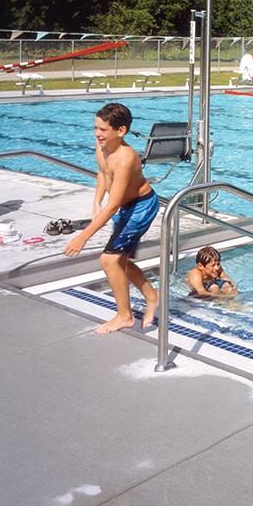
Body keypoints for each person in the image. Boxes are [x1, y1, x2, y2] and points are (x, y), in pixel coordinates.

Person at [64, 103, 162, 334]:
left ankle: (125, 316)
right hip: (126, 207)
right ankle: (152, 297)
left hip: (141, 207)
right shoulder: (103, 146)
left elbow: (114, 205)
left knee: (109, 260)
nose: (97, 133)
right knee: (119, 261)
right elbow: (102, 172)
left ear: (121, 131)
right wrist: (96, 202)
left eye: (103, 129)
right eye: (95, 128)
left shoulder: (125, 158)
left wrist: (83, 237)